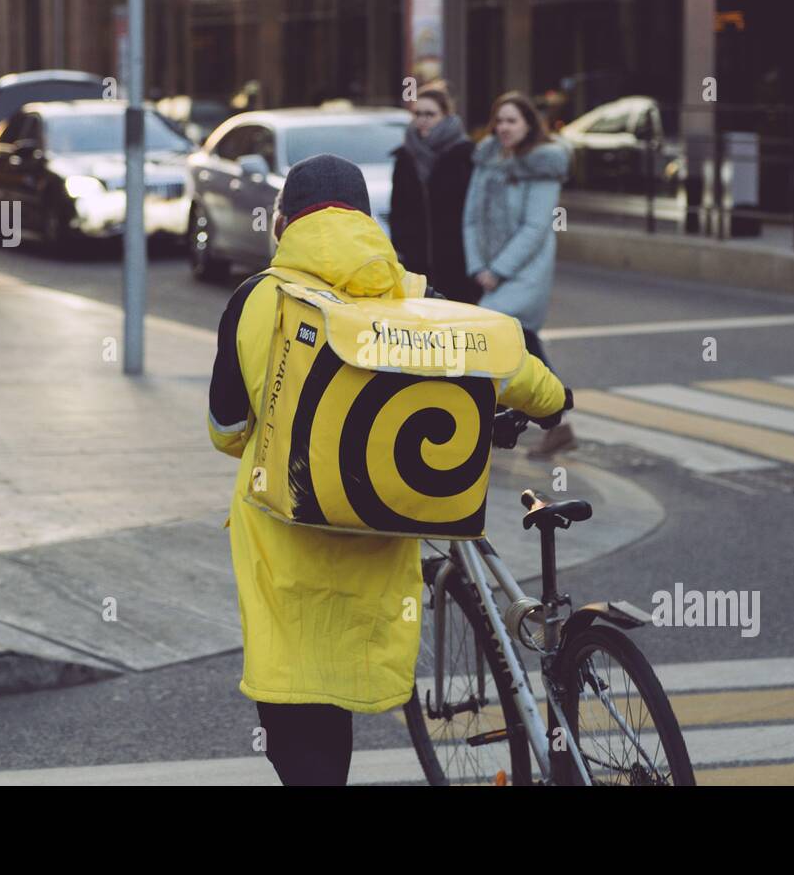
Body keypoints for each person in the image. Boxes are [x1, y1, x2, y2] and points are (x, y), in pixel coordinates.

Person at [206, 153, 570, 786]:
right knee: (346, 681)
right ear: (369, 223)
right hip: (378, 538)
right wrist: (554, 401)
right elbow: (501, 356)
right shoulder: (412, 297)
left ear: (281, 224)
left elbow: (226, 432)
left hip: (283, 547)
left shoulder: (254, 299)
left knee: (299, 710)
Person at [463, 90, 575, 457]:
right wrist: (479, 265)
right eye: (500, 120)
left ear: (529, 124)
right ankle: (554, 423)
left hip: (526, 270)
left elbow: (535, 227)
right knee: (521, 339)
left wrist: (498, 270)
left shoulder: (542, 164)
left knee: (494, 331)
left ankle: (501, 419)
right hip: (490, 269)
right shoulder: (488, 159)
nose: (504, 127)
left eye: (513, 120)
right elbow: (472, 218)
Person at [387, 81, 478, 303]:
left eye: (430, 114)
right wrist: (402, 248)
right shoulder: (405, 157)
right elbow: (398, 209)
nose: (423, 120)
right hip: (416, 264)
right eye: (418, 114)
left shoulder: (465, 155)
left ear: (446, 116)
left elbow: (475, 209)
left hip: (457, 260)